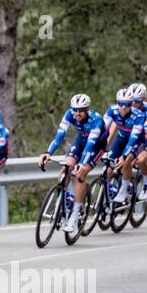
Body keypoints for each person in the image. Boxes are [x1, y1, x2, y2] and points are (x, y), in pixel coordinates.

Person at [37, 94, 105, 233]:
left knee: (80, 173)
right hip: (80, 141)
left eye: (80, 110)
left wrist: (83, 163)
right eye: (74, 109)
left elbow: (90, 145)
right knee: (66, 167)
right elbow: (60, 134)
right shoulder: (70, 114)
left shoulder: (96, 120)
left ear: (87, 110)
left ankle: (75, 213)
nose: (76, 113)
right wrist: (48, 152)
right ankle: (66, 199)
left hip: (97, 146)